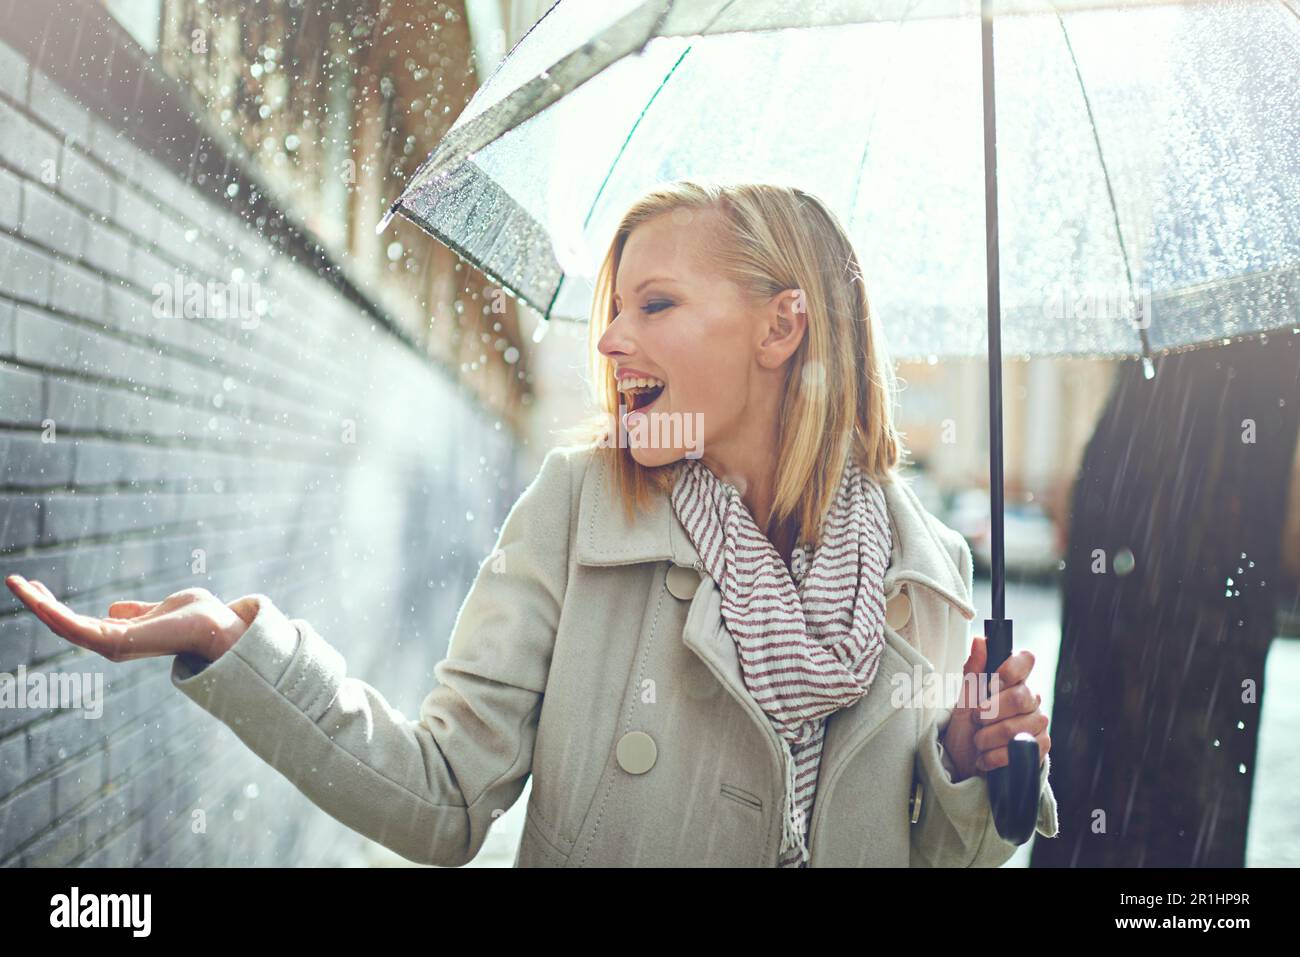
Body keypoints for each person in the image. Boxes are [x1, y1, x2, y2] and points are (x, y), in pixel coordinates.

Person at [4, 179, 1056, 867]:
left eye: (653, 305)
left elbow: (927, 856)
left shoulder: (927, 573)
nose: (607, 339)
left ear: (781, 326)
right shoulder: (580, 509)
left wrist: (963, 767)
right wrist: (243, 650)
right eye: (610, 307)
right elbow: (443, 799)